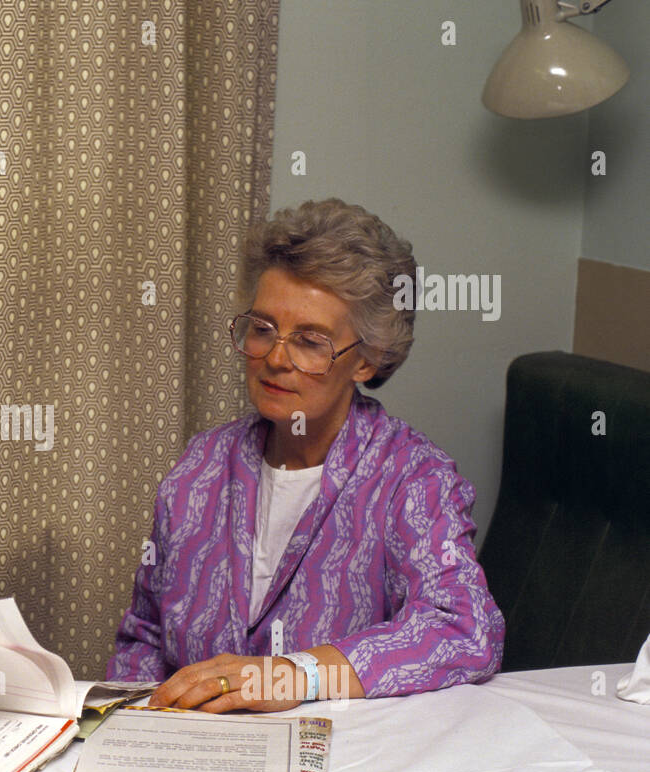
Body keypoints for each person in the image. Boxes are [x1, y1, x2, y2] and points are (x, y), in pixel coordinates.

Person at [108, 198, 504, 711]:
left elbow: (466, 630)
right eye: (263, 328)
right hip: (193, 761)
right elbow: (143, 638)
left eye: (311, 341)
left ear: (366, 359)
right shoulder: (201, 465)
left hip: (343, 767)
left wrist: (293, 674)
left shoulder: (413, 478)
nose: (275, 358)